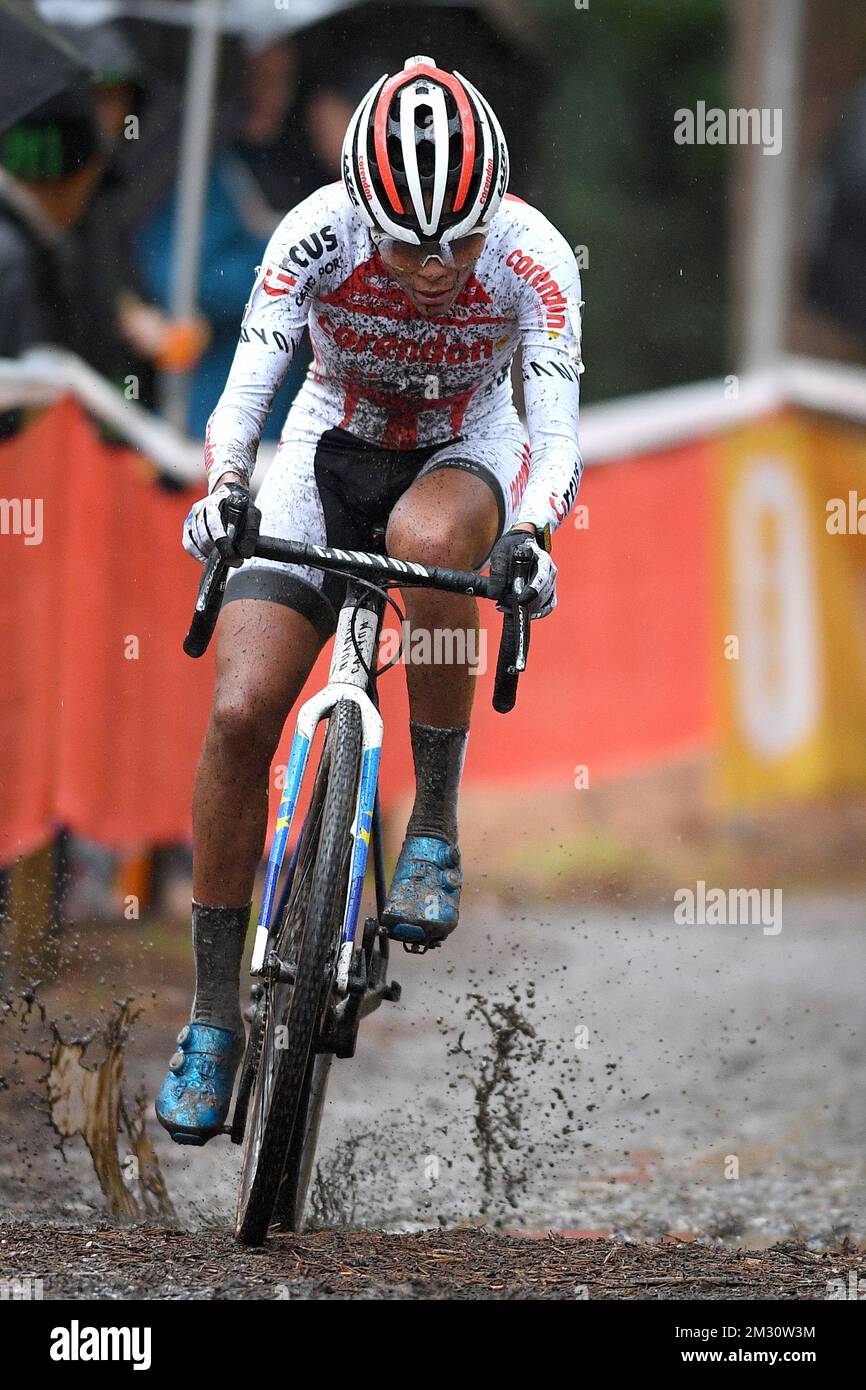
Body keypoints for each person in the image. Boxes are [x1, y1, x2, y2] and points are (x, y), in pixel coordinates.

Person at [156, 57, 583, 1144]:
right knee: (241, 711)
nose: (438, 269)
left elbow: (556, 428)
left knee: (429, 541)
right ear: (359, 212)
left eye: (461, 240)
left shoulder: (533, 260)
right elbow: (247, 390)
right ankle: (211, 1018)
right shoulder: (312, 232)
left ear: (497, 209)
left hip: (461, 449)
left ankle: (431, 822)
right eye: (406, 246)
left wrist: (530, 535)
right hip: (325, 447)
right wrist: (224, 493)